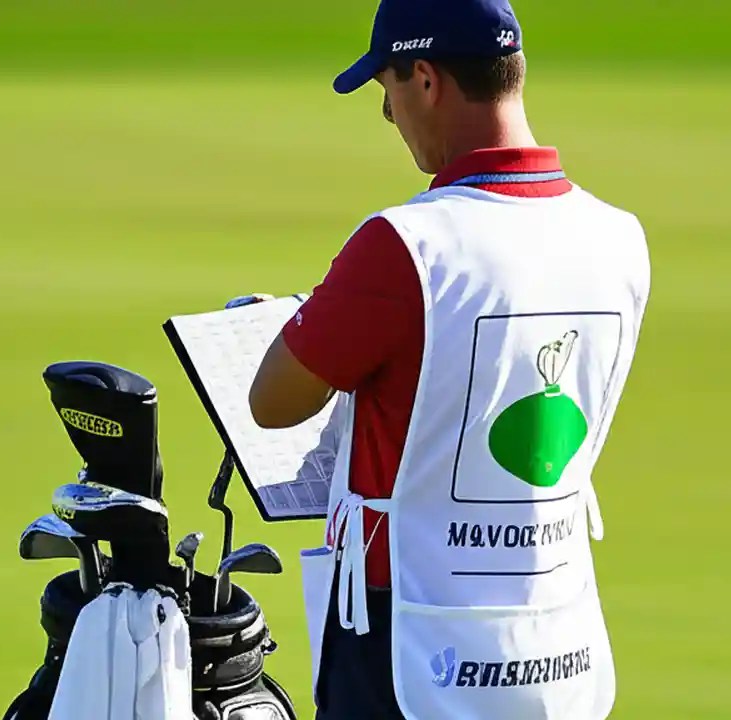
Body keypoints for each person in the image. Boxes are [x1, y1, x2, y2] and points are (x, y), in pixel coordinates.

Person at [244, 0, 651, 717]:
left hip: (411, 639)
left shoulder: (408, 244)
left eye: (388, 88)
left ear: (426, 80)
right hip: (554, 633)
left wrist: (328, 304)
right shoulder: (619, 237)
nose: (387, 114)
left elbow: (271, 401)